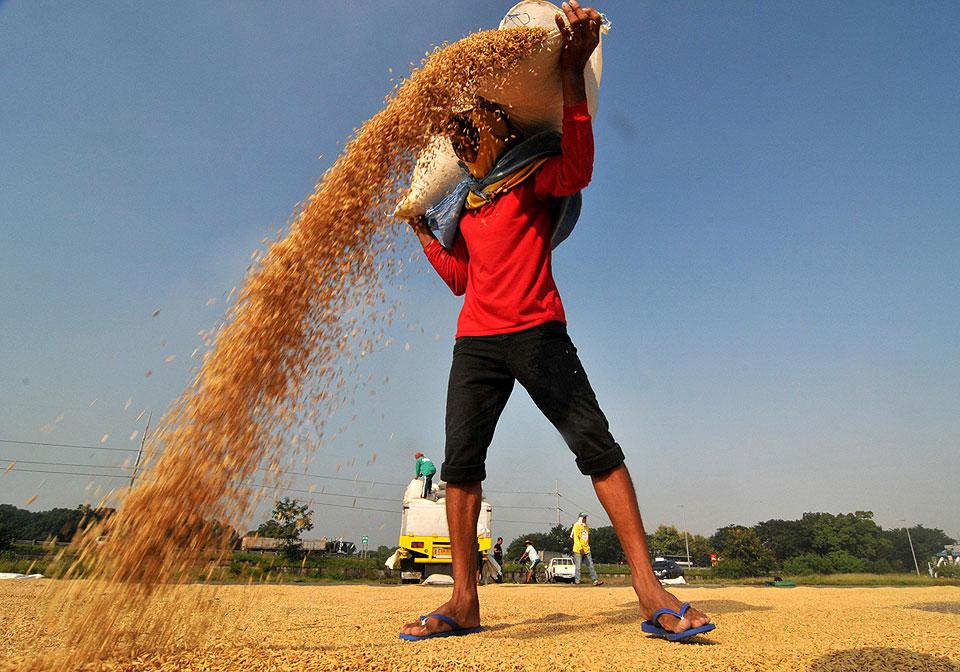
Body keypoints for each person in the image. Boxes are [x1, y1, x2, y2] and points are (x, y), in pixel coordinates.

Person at [400, 1, 713, 642]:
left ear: (499, 129)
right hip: (477, 343)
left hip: (538, 331)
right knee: (461, 465)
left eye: (471, 131)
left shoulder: (534, 174)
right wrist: (424, 235)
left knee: (596, 448)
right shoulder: (471, 208)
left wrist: (571, 74)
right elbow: (463, 279)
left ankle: (649, 590)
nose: (463, 141)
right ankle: (464, 601)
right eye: (458, 138)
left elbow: (581, 169)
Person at [571, 514, 603, 586]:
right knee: (578, 567)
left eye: (585, 518)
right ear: (580, 518)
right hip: (578, 550)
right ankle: (577, 582)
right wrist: (580, 548)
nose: (585, 519)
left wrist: (587, 547)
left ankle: (595, 580)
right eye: (584, 518)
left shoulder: (587, 527)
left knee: (590, 565)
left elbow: (586, 538)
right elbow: (575, 538)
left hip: (586, 549)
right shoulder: (576, 526)